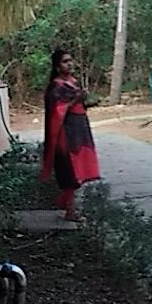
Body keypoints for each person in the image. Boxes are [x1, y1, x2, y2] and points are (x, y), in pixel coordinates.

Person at [41, 48, 101, 221]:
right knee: (70, 170)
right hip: (65, 133)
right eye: (65, 61)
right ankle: (70, 211)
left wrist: (86, 101)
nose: (70, 64)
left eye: (70, 60)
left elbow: (78, 104)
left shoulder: (72, 82)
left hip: (79, 129)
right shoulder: (56, 87)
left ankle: (68, 206)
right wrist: (75, 99)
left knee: (78, 169)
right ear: (58, 66)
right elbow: (58, 110)